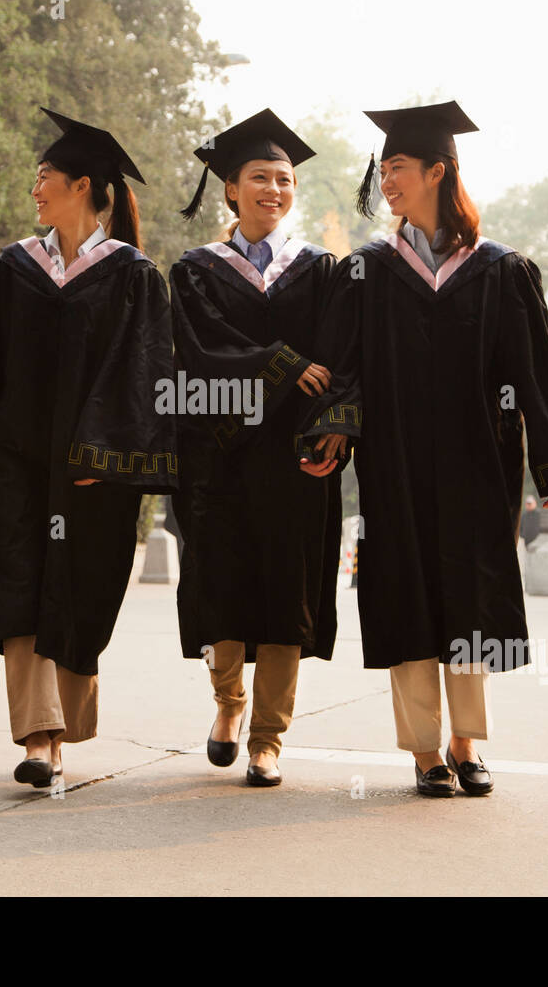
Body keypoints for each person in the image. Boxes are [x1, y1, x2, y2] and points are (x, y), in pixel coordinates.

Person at [346, 100, 548, 797]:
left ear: (437, 170)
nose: (386, 180)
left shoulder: (499, 270)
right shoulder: (368, 272)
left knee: (469, 594)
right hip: (393, 462)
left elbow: (535, 367)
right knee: (406, 593)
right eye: (382, 168)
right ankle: (424, 751)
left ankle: (465, 742)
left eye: (397, 167)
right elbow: (345, 364)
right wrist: (331, 429)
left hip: (477, 463)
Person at [0, 109, 177, 789]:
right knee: (19, 585)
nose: (36, 188)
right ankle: (39, 737)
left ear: (81, 185)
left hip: (94, 476)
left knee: (81, 593)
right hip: (22, 462)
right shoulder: (15, 270)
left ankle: (62, 727)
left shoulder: (134, 277)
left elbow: (144, 376)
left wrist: (101, 453)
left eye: (45, 177)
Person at [170, 109, 358, 788]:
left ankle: (268, 739)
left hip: (294, 457)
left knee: (287, 597)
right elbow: (197, 352)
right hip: (220, 457)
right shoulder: (194, 273)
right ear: (230, 189)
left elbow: (343, 356)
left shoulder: (321, 272)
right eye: (259, 178)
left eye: (284, 180)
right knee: (223, 589)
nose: (274, 189)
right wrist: (279, 363)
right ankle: (227, 705)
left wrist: (334, 427)